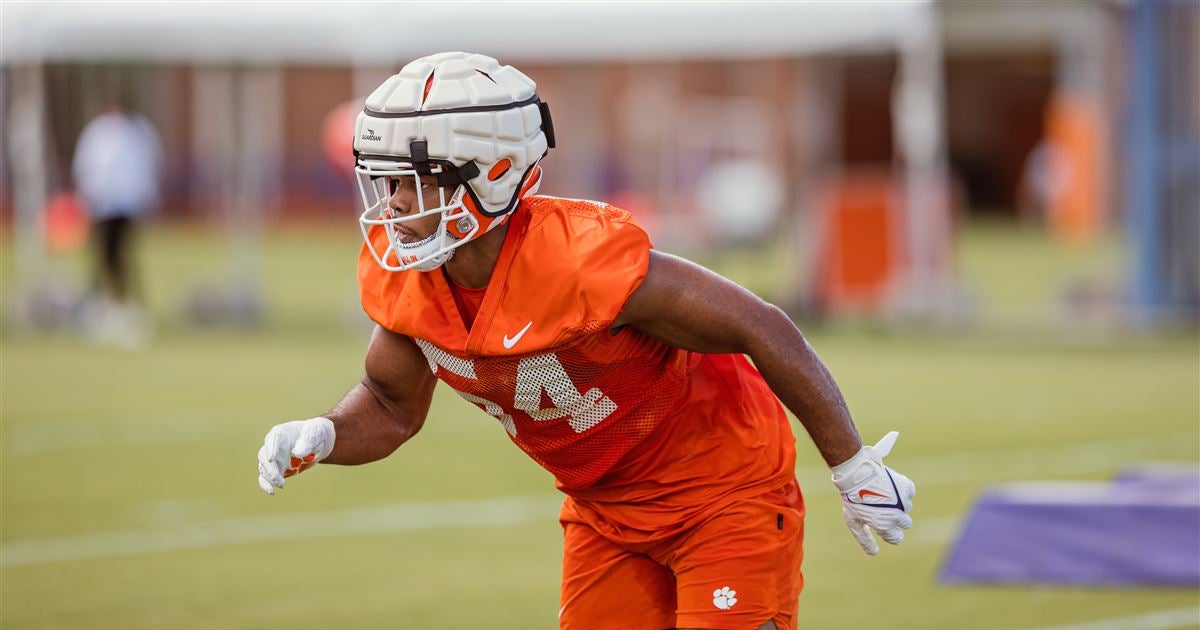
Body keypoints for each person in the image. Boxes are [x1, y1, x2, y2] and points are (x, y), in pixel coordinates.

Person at [256, 52, 916, 630]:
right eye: (389, 181)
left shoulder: (578, 259)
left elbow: (759, 323)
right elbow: (390, 404)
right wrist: (325, 434)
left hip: (722, 488)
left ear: (490, 174)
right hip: (605, 510)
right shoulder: (410, 278)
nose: (395, 204)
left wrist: (852, 464)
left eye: (415, 180)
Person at [71, 94, 162, 346]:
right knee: (102, 255)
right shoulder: (97, 133)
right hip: (102, 204)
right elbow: (86, 166)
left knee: (123, 256)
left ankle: (127, 305)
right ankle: (102, 305)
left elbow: (147, 166)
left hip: (127, 203)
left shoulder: (137, 133)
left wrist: (145, 196)